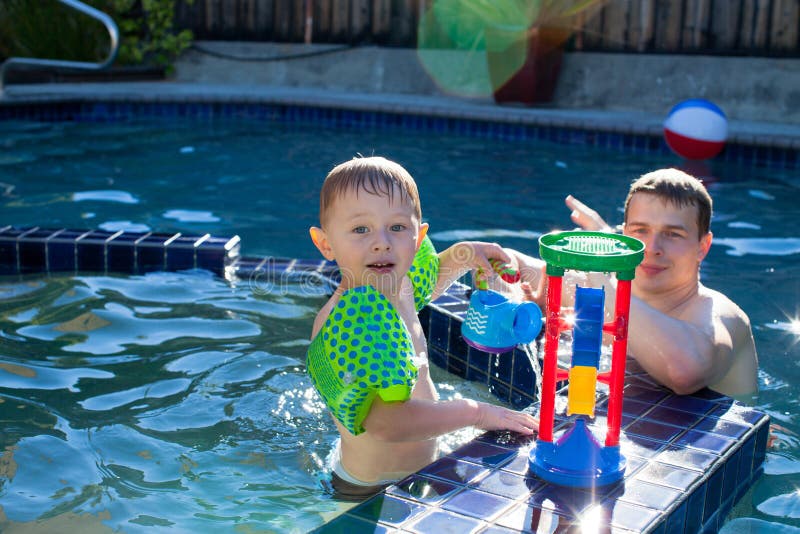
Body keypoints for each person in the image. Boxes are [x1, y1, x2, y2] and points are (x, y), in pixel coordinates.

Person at [306, 156, 537, 500]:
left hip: (419, 472)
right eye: (360, 229)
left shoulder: (397, 286)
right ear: (326, 243)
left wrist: (465, 255)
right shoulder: (349, 322)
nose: (382, 241)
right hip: (367, 491)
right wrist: (477, 413)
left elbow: (425, 283)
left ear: (418, 238)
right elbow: (388, 424)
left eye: (397, 227)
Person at [510, 168, 758, 399]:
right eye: (640, 231)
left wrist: (603, 271)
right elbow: (524, 270)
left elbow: (683, 373)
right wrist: (497, 258)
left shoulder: (721, 315)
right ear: (624, 236)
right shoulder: (606, 288)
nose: (652, 249)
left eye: (673, 234)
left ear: (702, 247)